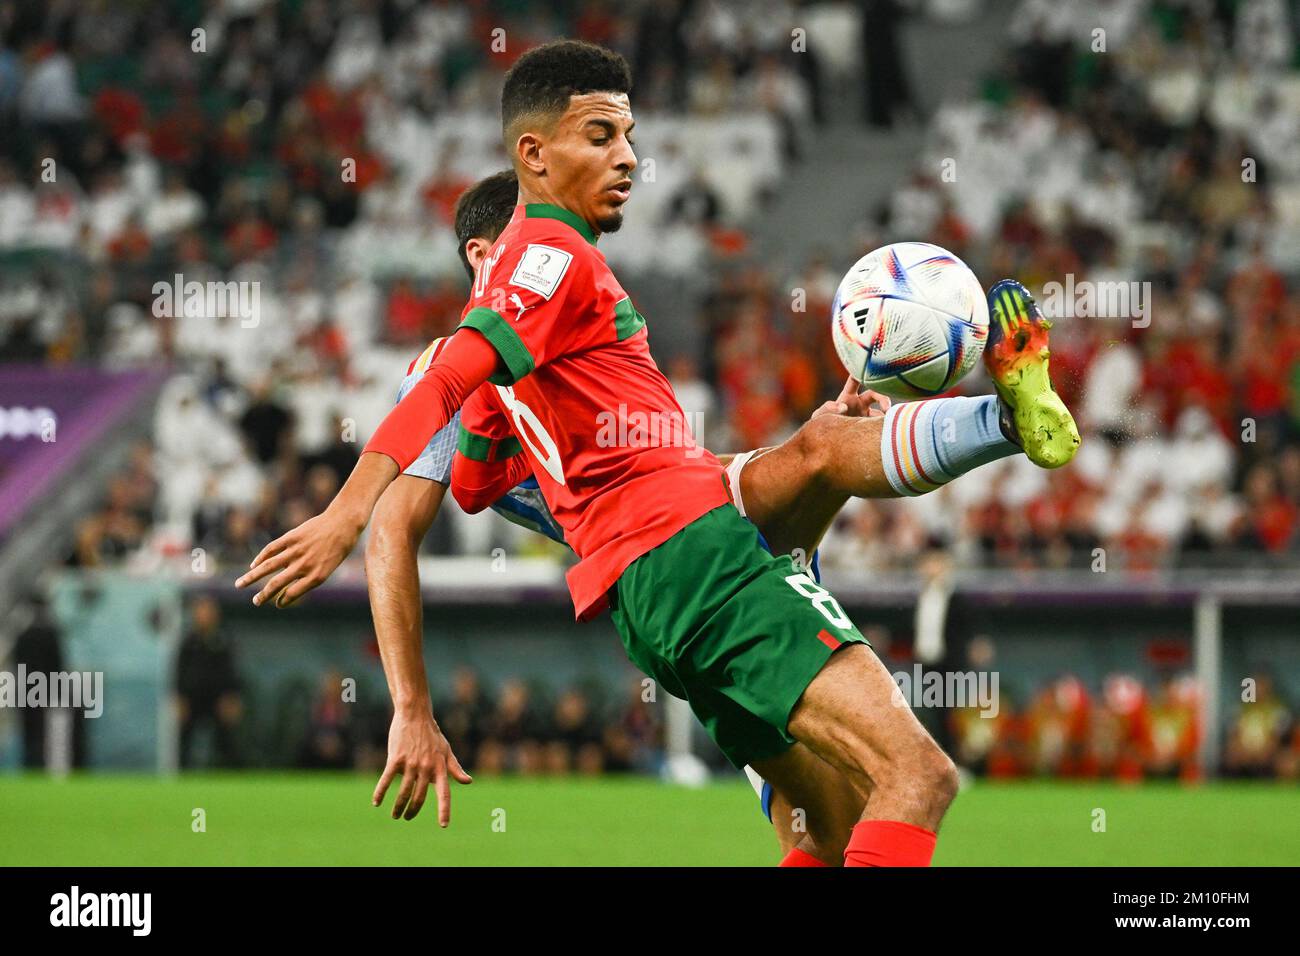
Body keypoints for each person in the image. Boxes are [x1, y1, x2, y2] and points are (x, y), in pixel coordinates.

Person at [239, 41, 1080, 867]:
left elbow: (473, 473)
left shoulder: (527, 329)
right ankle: (1006, 422)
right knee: (920, 775)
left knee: (827, 827)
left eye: (628, 137)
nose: (630, 159)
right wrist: (346, 515)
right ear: (531, 162)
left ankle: (1000, 422)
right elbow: (440, 400)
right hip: (690, 549)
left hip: (645, 591)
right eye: (603, 137)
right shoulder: (545, 257)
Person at [175, 594, 242, 768]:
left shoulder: (224, 641)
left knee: (227, 742)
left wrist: (232, 697)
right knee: (182, 740)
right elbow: (179, 673)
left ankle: (229, 777)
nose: (204, 615)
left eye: (208, 611)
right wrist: (179, 698)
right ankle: (179, 776)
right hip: (192, 700)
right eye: (200, 610)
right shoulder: (187, 642)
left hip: (218, 700)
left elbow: (232, 673)